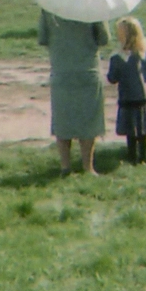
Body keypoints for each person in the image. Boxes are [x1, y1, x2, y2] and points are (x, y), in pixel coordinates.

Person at [38, 9, 110, 176]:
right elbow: (104, 39)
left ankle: (65, 166)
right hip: (87, 69)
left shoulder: (49, 7)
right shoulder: (92, 5)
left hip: (61, 70)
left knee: (63, 120)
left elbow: (42, 38)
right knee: (89, 120)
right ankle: (88, 167)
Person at [106, 16, 146, 165]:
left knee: (130, 129)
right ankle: (143, 155)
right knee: (142, 129)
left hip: (127, 97)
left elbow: (112, 78)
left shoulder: (118, 57)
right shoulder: (144, 53)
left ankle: (132, 155)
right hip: (142, 96)